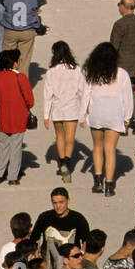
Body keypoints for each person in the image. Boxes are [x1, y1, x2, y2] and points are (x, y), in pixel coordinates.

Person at [80, 41, 134, 197]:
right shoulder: (121, 73)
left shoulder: (92, 73)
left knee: (97, 146)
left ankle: (97, 180)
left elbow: (85, 95)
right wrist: (127, 116)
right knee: (110, 149)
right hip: (114, 113)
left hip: (97, 112)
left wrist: (82, 115)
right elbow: (127, 96)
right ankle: (109, 185)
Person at [41, 42, 84, 183]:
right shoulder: (76, 69)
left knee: (60, 136)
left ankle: (61, 163)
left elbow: (47, 95)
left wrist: (46, 115)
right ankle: (67, 162)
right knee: (70, 137)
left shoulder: (51, 72)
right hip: (72, 106)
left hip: (57, 107)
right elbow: (82, 91)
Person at [0, 48, 34, 186]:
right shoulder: (21, 77)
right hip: (18, 117)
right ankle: (13, 177)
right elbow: (30, 101)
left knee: (3, 146)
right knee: (16, 147)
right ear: (14, 63)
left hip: (3, 117)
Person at [0, 0, 45, 79]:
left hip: (10, 29)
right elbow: (40, 2)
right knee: (24, 61)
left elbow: (2, 0)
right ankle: (21, 85)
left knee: (8, 60)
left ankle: (7, 83)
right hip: (27, 31)